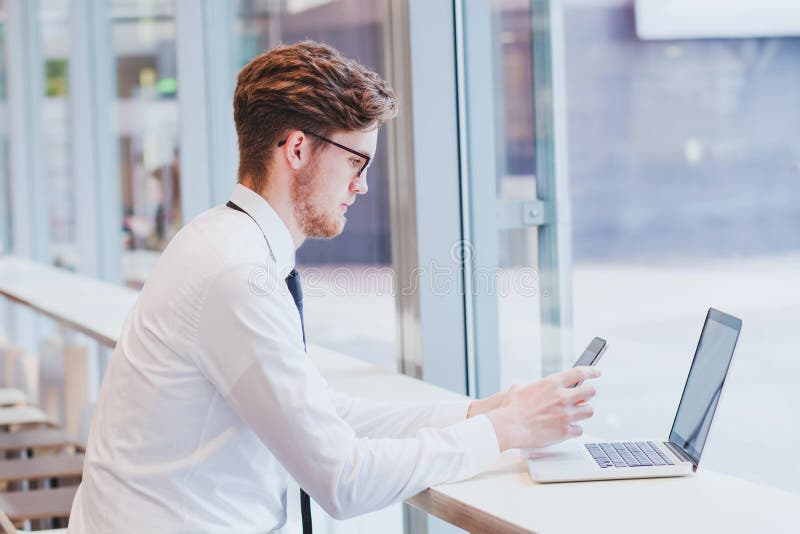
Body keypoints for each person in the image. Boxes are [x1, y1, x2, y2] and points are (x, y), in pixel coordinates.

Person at [68, 40, 600, 533]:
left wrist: (485, 411)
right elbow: (343, 481)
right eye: (355, 160)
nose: (362, 183)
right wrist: (505, 432)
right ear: (296, 148)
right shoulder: (234, 274)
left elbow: (323, 414)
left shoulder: (224, 241)